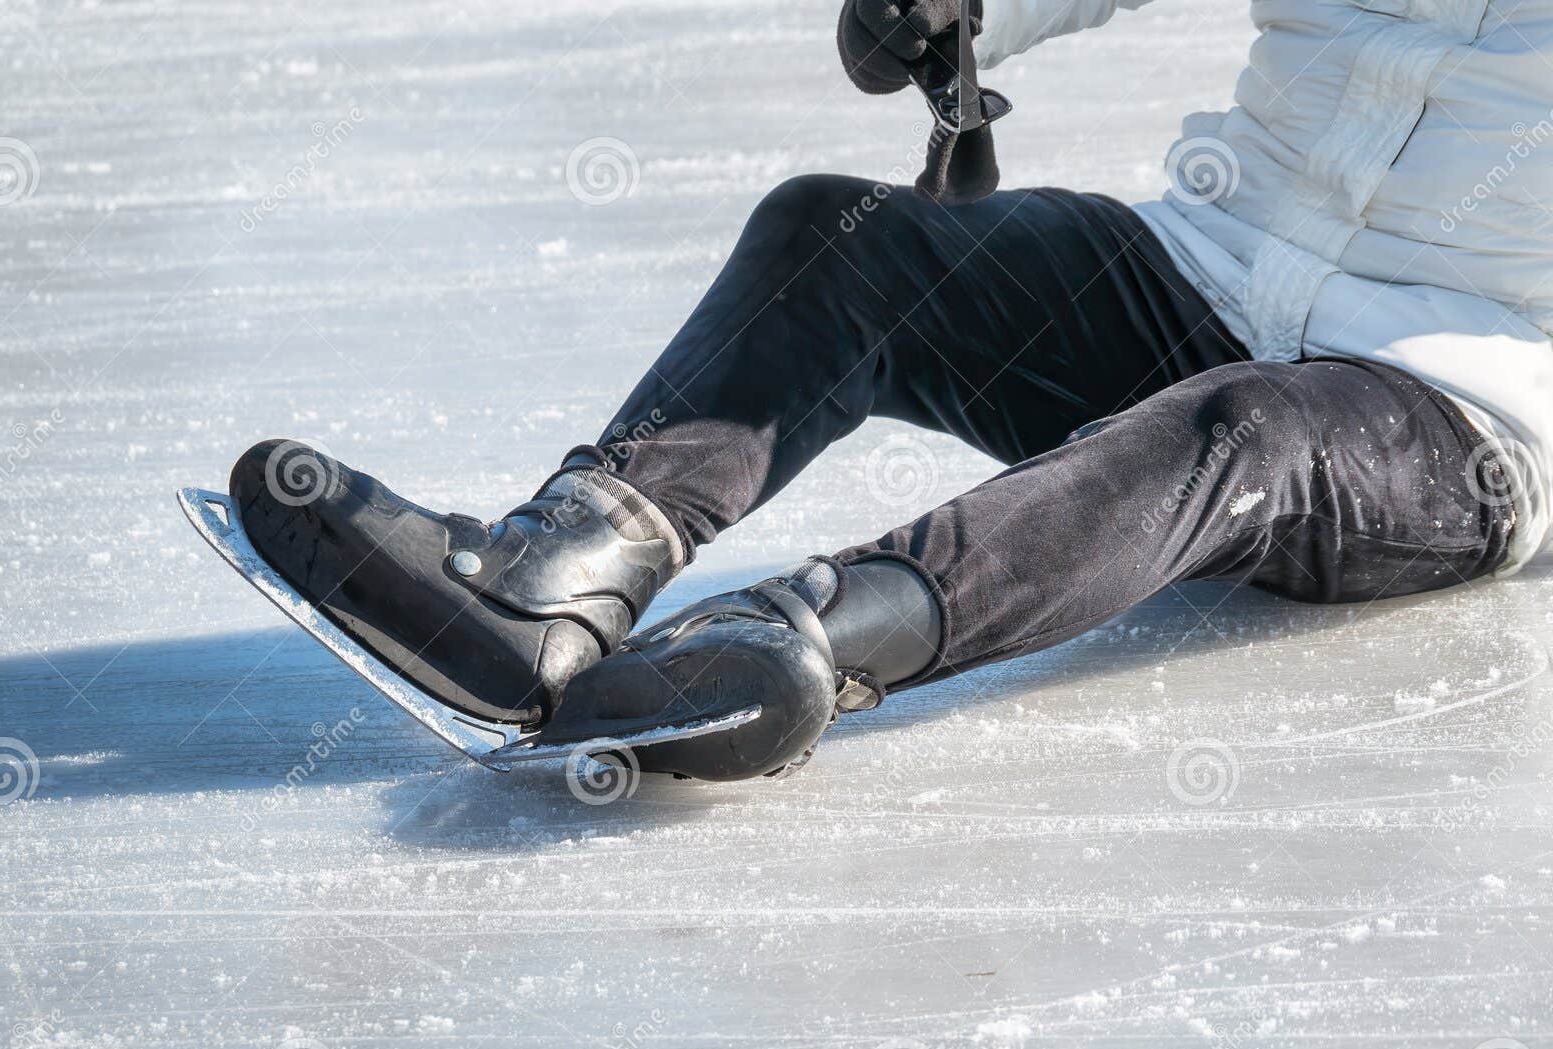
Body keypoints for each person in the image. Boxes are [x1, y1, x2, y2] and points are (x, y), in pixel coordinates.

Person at [228, 0, 1551, 781]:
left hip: (1460, 402)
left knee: (1241, 432)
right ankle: (553, 576)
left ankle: (789, 646)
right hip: (1216, 269)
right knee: (848, 235)